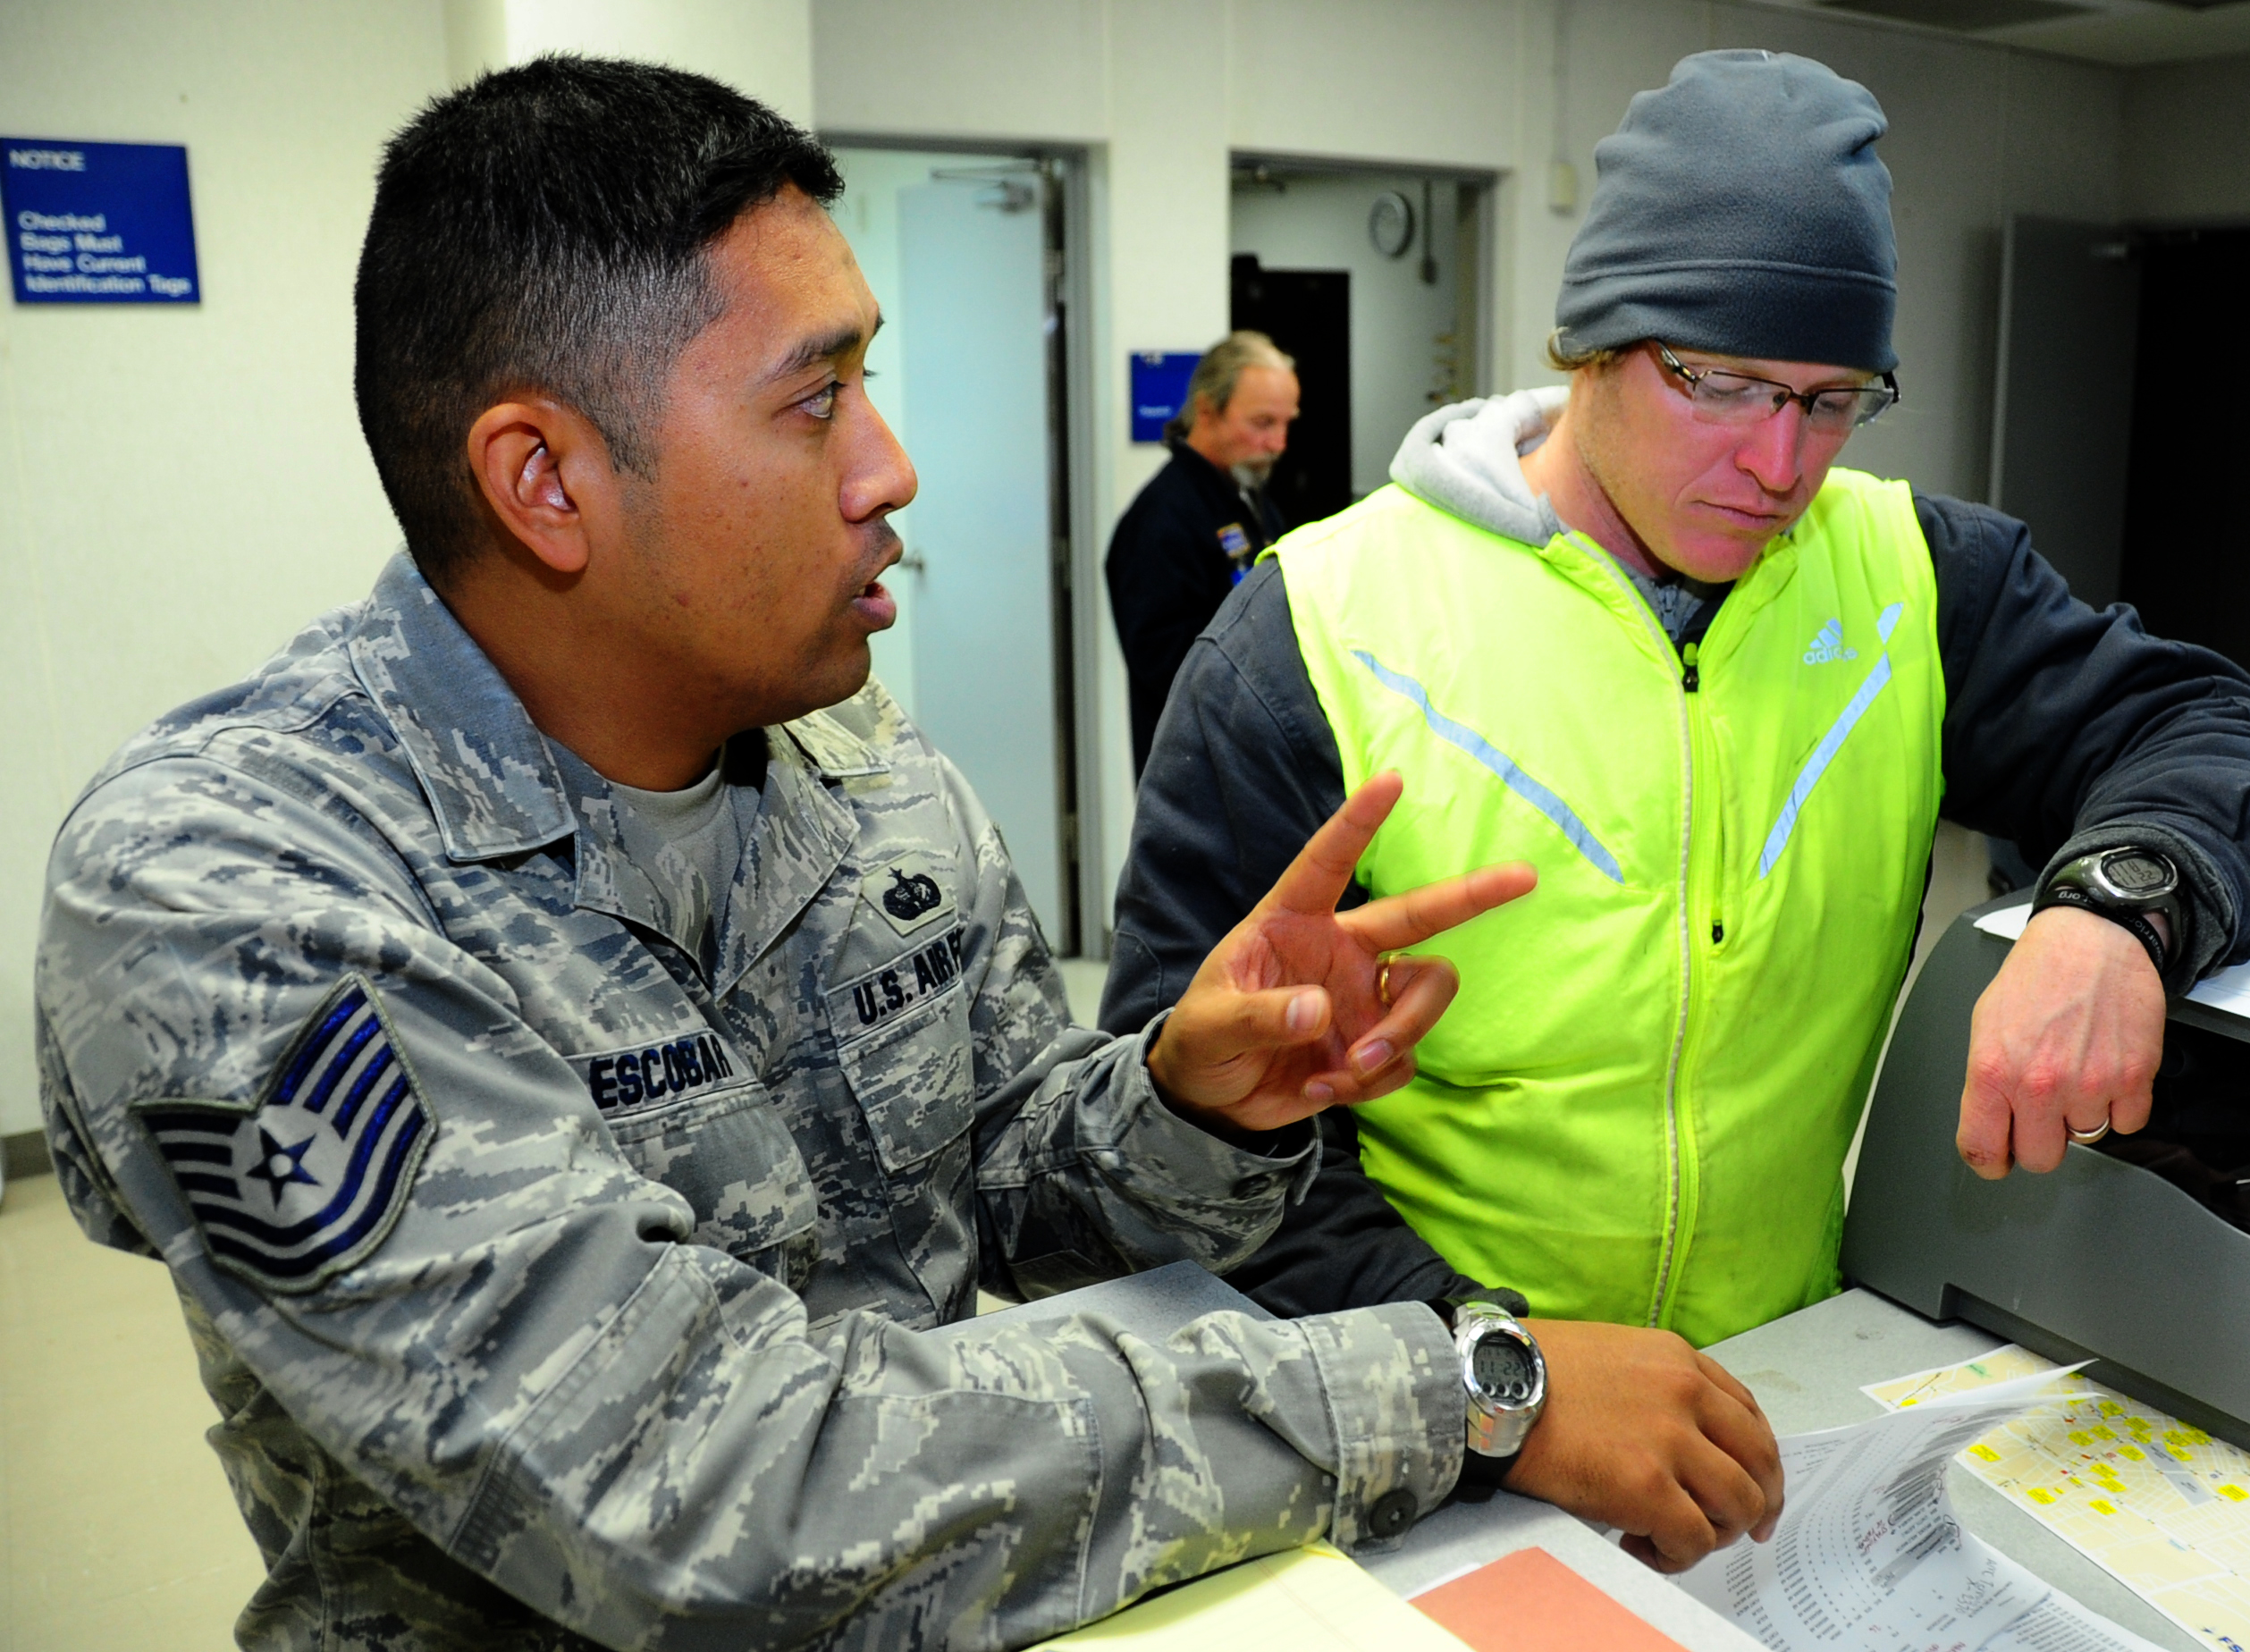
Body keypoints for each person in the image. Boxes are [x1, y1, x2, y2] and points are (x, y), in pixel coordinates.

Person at [36, 60, 1792, 1648]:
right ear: (544, 480)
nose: (892, 469)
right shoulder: (231, 893)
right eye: (815, 404)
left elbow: (1011, 1194)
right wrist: (1457, 1394)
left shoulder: (858, 765)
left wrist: (1188, 1103)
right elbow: (718, 1502)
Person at [1105, 51, 2250, 1342]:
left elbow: (2239, 744)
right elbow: (1178, 1135)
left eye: (1830, 403)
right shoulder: (1316, 622)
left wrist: (2113, 912)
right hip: (1425, 1404)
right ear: (1594, 340)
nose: (1778, 465)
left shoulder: (1913, 584)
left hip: (1776, 1382)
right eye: (1723, 384)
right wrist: (1495, 1372)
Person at [1108, 333, 1299, 771]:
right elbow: (1171, 669)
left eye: (1287, 424)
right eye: (1263, 423)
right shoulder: (1161, 519)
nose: (1279, 443)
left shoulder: (1247, 499)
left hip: (1251, 758)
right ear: (1208, 410)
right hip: (1198, 773)